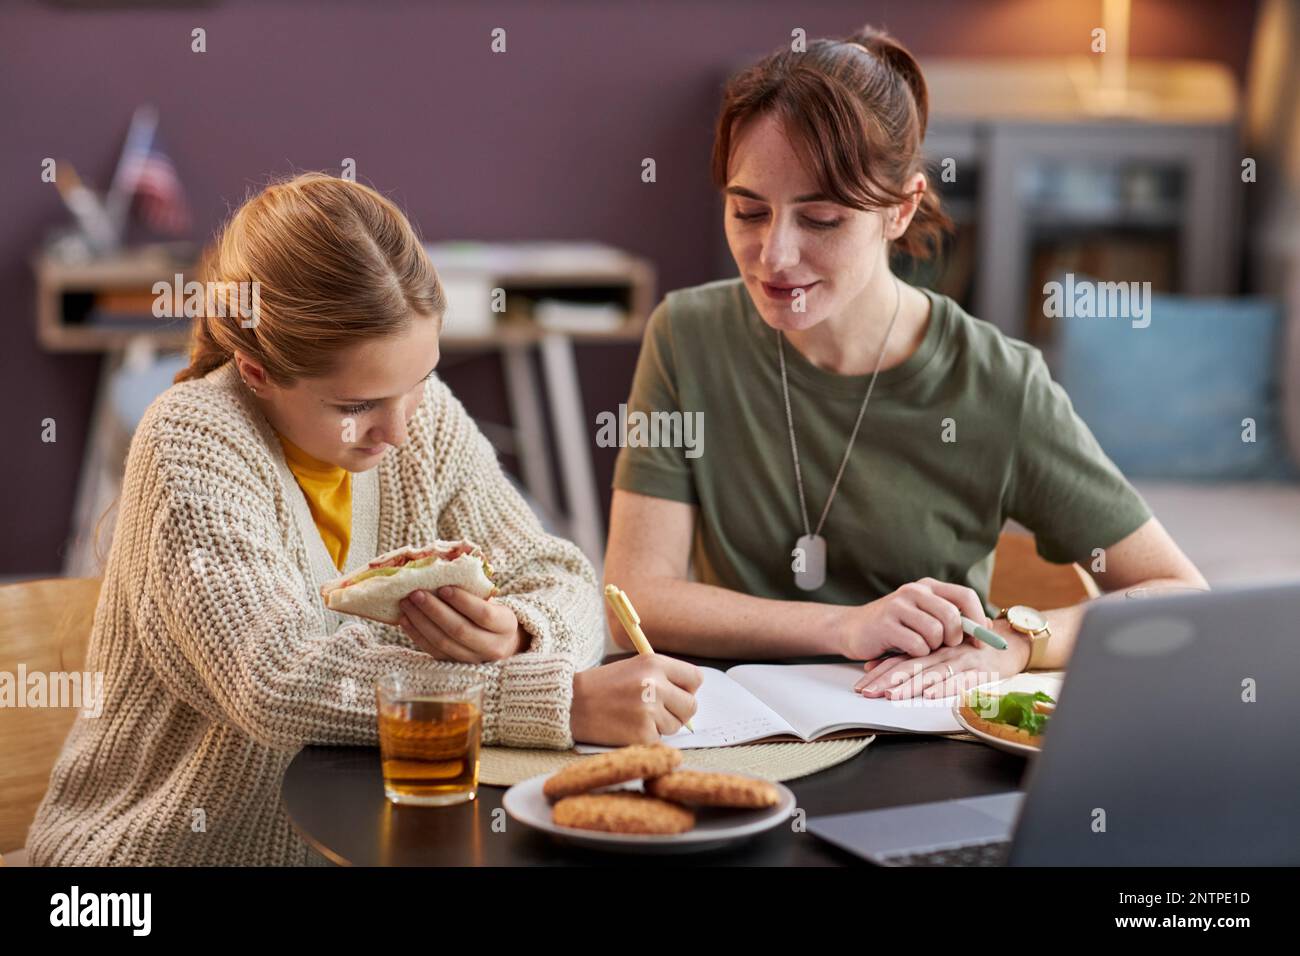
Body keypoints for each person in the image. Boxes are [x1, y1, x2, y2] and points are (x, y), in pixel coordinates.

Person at [28, 173, 699, 867]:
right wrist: (556, 700)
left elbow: (558, 571)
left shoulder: (422, 417)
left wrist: (521, 635)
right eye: (356, 407)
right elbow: (278, 680)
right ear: (257, 372)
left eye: (418, 382)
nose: (398, 432)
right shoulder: (192, 442)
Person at [604, 27, 1207, 701]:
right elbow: (636, 602)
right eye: (748, 211)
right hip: (740, 734)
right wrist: (845, 627)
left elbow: (1178, 595)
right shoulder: (687, 337)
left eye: (822, 220)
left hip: (921, 739)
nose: (774, 255)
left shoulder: (997, 384)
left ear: (901, 209)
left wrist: (1019, 640)